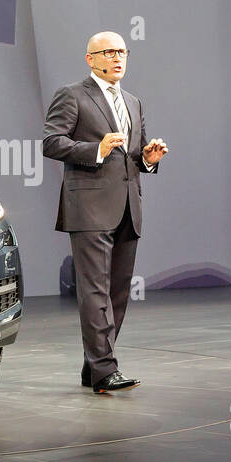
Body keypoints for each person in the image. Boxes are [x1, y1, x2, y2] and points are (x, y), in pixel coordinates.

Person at [42, 32, 168, 394]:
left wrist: (148, 158)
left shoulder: (133, 101)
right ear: (90, 59)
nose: (118, 58)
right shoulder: (73, 94)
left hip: (128, 206)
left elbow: (133, 155)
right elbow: (52, 141)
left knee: (117, 294)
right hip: (89, 207)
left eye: (122, 52)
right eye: (109, 52)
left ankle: (94, 367)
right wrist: (94, 149)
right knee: (95, 291)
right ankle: (106, 369)